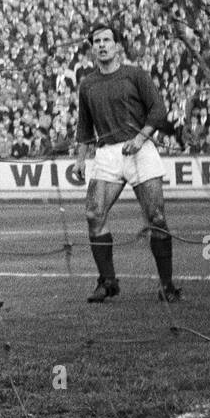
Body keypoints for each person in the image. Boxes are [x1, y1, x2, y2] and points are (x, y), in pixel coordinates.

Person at [73, 22, 181, 303]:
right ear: (92, 47)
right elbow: (84, 126)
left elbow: (158, 108)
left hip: (140, 150)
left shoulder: (135, 75)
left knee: (156, 218)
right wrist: (80, 159)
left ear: (117, 45)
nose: (102, 45)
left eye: (107, 40)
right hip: (107, 154)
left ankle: (167, 286)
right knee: (94, 215)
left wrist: (142, 136)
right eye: (96, 41)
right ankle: (108, 281)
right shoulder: (87, 84)